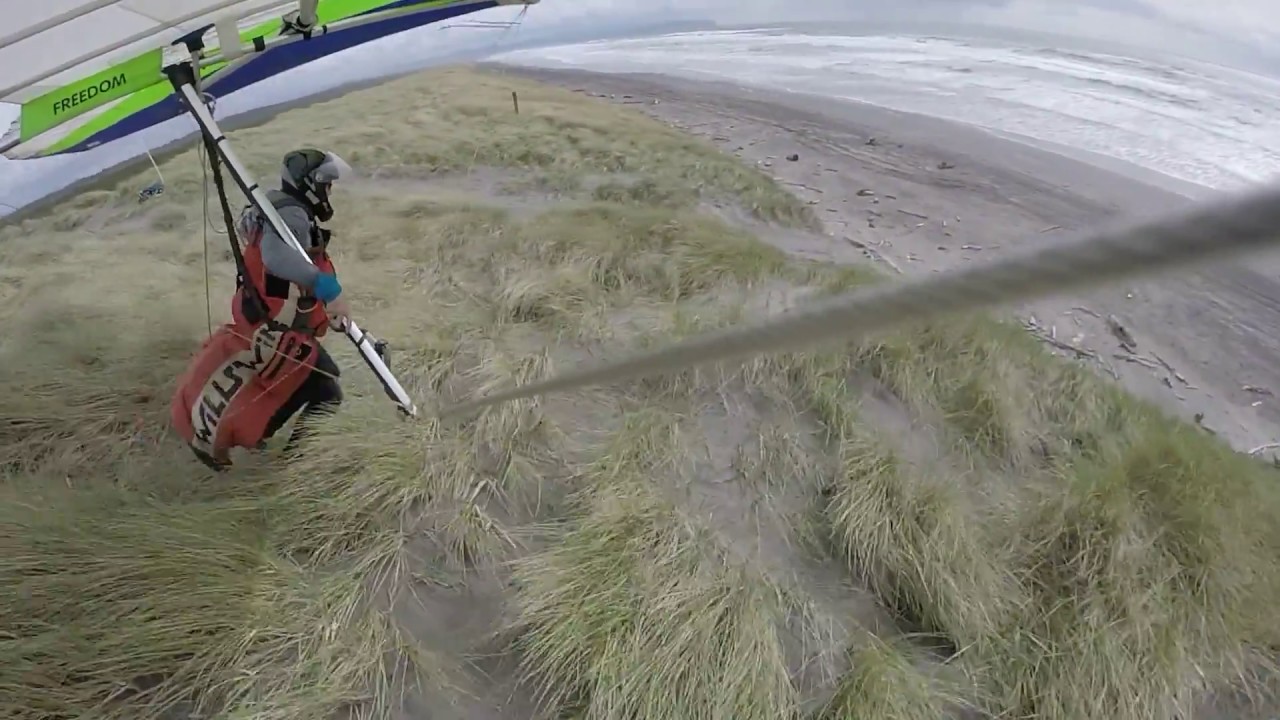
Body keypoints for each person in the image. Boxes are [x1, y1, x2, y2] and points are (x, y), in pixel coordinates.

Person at [171, 148, 354, 471]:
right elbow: (275, 257)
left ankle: (260, 440)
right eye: (327, 184)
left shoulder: (277, 209)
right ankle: (290, 465)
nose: (330, 191)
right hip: (277, 335)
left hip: (272, 328)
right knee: (328, 390)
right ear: (311, 184)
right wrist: (328, 290)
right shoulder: (291, 217)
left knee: (299, 385)